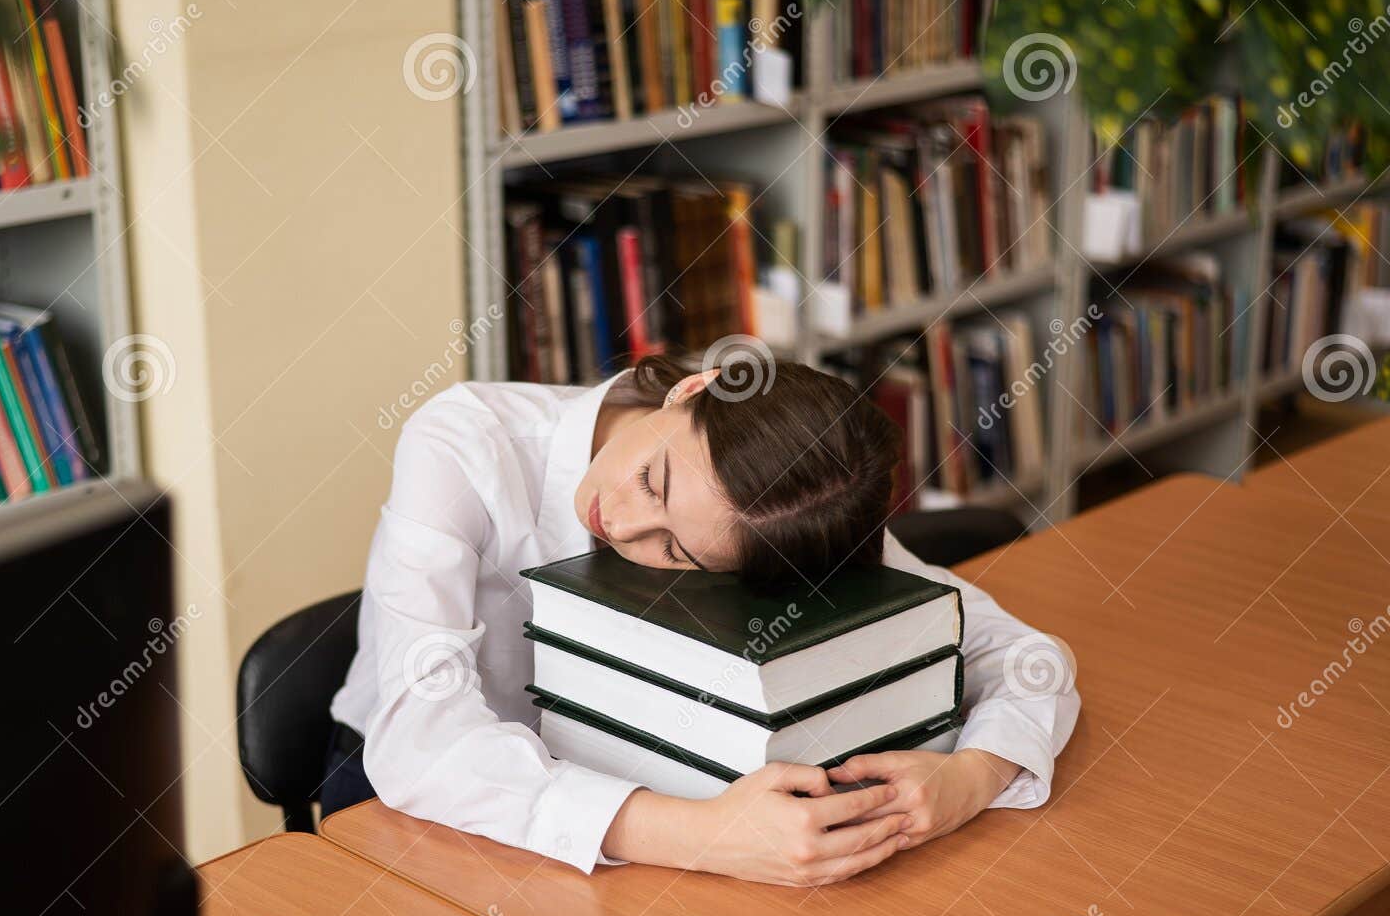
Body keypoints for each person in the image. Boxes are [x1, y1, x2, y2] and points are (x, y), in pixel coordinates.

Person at [329, 353, 1080, 887]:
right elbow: (420, 741)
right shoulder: (464, 441)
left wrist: (972, 779)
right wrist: (705, 836)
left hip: (647, 787)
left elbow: (1024, 656)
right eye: (653, 478)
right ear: (691, 389)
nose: (620, 523)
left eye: (676, 550)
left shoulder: (785, 513)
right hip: (419, 807)